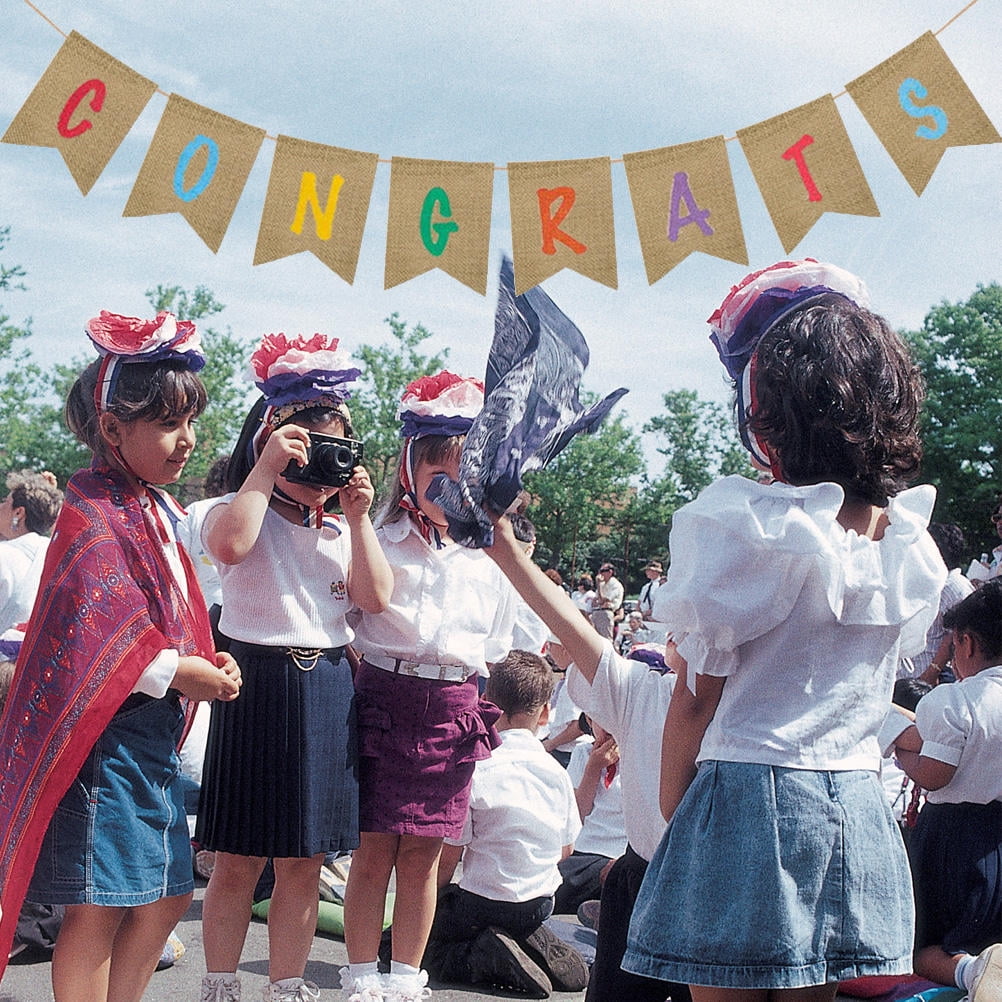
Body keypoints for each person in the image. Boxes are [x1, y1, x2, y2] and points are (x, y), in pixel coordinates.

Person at [617, 260, 950, 1001]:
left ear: (772, 405)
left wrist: (677, 809)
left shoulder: (749, 525)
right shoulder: (905, 541)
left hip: (748, 786)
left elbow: (696, 697)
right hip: (856, 800)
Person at [0, 309, 242, 997]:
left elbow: (168, 610)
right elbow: (100, 633)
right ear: (113, 429)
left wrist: (210, 657)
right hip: (105, 742)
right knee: (99, 904)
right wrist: (179, 669)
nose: (186, 441)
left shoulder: (153, 509)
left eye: (191, 424)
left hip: (151, 738)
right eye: (169, 424)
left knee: (165, 895)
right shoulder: (92, 511)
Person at [196, 333, 392, 1002]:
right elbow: (232, 543)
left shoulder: (340, 532)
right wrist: (262, 468)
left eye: (333, 445)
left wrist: (360, 518)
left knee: (306, 863)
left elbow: (375, 600)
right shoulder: (232, 509)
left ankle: (285, 986)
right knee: (238, 860)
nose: (317, 460)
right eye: (303, 444)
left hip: (329, 688)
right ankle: (220, 983)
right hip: (253, 682)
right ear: (266, 440)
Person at [340, 372, 517, 1002]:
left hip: (454, 707)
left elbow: (494, 647)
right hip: (384, 696)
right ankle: (362, 973)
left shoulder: (492, 559)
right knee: (372, 850)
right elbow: (353, 621)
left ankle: (408, 977)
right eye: (438, 475)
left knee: (424, 857)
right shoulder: (375, 540)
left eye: (465, 478)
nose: (453, 491)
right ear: (410, 470)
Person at [483, 530, 689, 1002]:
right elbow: (570, 625)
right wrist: (506, 550)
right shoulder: (642, 689)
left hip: (704, 885)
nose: (680, 629)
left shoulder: (747, 705)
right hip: (639, 878)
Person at [423, 649, 587, 998]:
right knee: (515, 915)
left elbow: (451, 853)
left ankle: (483, 957)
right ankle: (529, 939)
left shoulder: (478, 768)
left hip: (483, 901)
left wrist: (431, 897)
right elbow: (566, 848)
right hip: (541, 901)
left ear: (486, 702)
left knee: (416, 946)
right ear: (545, 713)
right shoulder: (556, 773)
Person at [884, 579, 1002, 999]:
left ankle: (973, 974)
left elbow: (935, 773)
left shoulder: (954, 700)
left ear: (966, 644)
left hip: (955, 838)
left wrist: (900, 753)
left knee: (924, 946)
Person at [553, 716, 627, 916]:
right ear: (590, 720)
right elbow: (576, 814)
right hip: (583, 852)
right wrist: (593, 768)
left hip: (618, 856)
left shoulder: (642, 757)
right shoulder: (583, 752)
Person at [902, 522, 974, 684]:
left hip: (930, 679)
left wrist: (932, 672)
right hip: (908, 675)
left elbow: (954, 636)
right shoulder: (929, 580)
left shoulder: (955, 587)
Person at [0, 469, 63, 633]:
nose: (0, 507)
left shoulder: (4, 555)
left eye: (5, 502)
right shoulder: (57, 555)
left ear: (19, 513)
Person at [589, 563, 623, 640]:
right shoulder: (603, 584)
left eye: (603, 571)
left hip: (606, 612)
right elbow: (595, 602)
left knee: (606, 638)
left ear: (610, 572)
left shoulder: (615, 585)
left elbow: (603, 600)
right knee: (594, 638)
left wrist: (598, 585)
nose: (600, 574)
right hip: (597, 611)